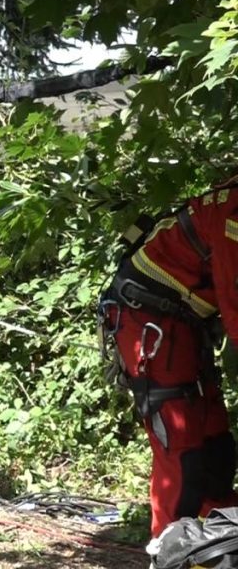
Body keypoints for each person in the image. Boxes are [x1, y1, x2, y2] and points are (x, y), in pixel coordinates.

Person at [99, 185, 238, 538]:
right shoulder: (233, 215)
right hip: (147, 319)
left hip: (183, 320)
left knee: (216, 443)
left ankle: (218, 539)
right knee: (182, 446)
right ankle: (170, 551)